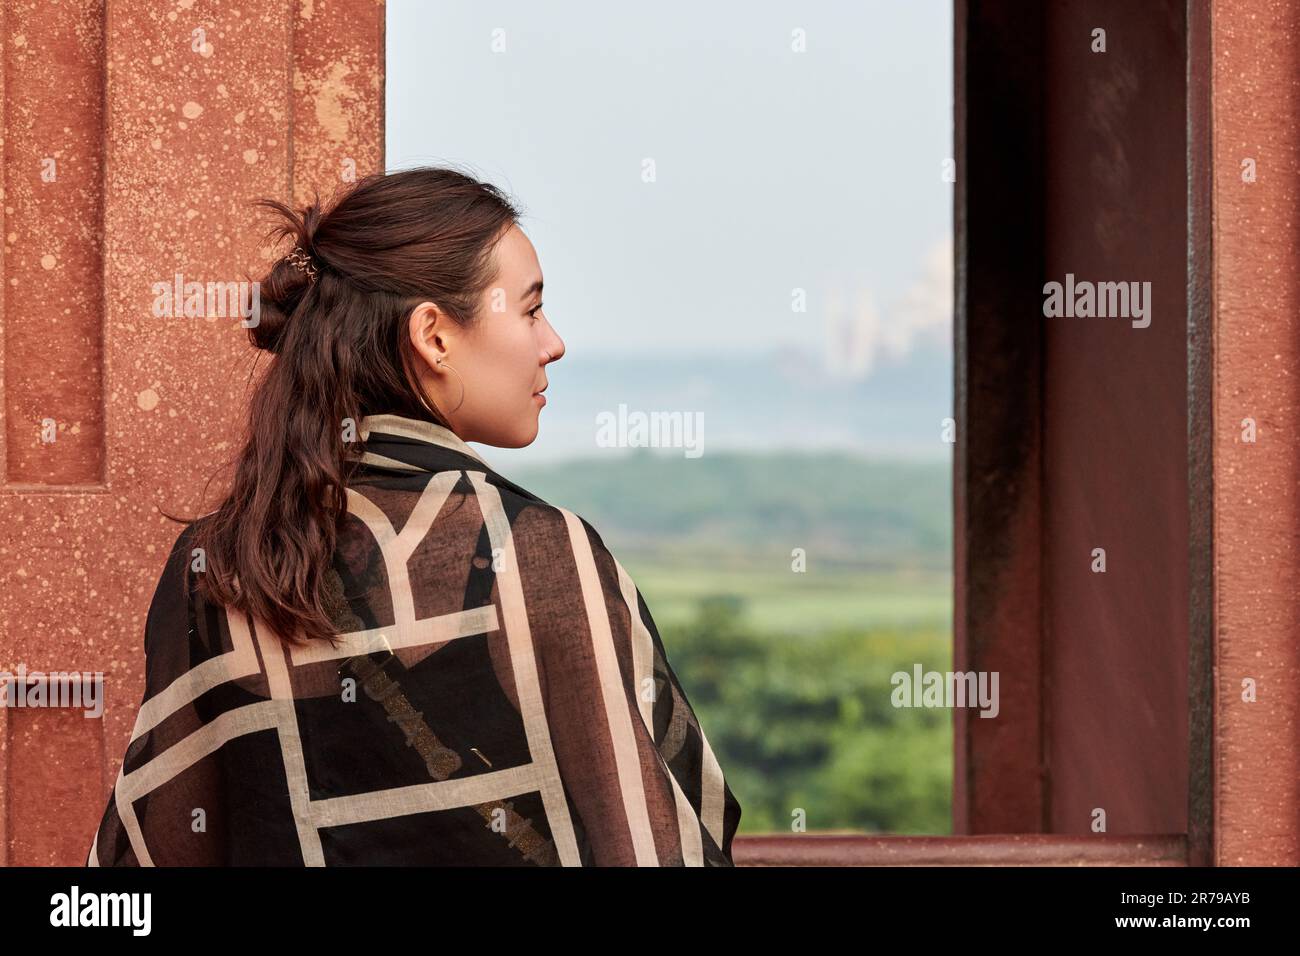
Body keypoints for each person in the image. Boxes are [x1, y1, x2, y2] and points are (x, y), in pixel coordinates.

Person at [84, 166, 741, 866]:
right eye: (529, 310)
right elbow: (651, 839)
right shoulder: (543, 556)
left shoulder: (219, 566)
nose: (553, 342)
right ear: (433, 335)